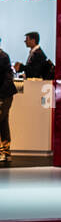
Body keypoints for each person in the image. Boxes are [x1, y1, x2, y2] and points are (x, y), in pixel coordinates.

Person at [0, 37, 14, 166]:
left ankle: (4, 152)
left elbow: (7, 79)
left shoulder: (2, 57)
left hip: (4, 95)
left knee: (2, 121)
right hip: (5, 95)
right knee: (3, 122)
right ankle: (5, 152)